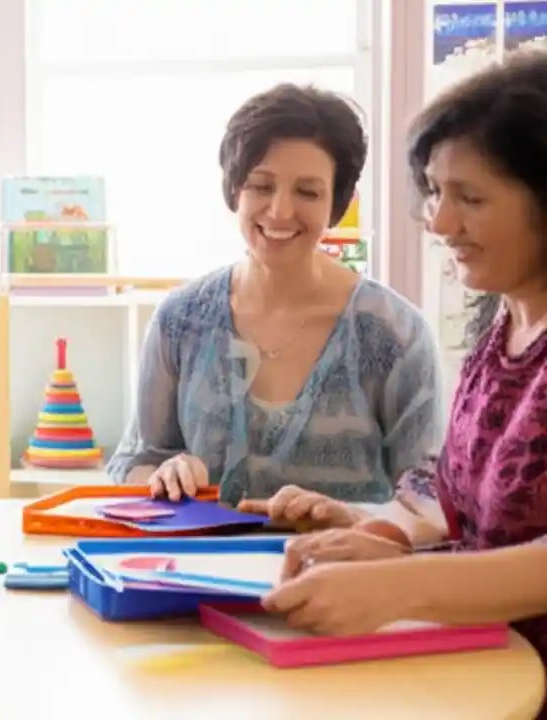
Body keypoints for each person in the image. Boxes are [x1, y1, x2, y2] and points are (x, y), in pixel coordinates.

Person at [262, 53, 547, 708]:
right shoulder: (503, 328)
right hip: (484, 671)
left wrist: (405, 583)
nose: (441, 223)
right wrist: (381, 534)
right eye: (437, 192)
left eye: (471, 198)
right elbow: (454, 491)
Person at [107, 83, 442, 513]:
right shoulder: (180, 320)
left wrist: (351, 519)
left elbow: (428, 497)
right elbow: (135, 461)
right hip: (202, 573)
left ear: (337, 204)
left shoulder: (394, 331)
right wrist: (165, 472)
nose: (280, 211)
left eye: (308, 192)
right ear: (234, 191)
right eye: (261, 186)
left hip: (348, 575)